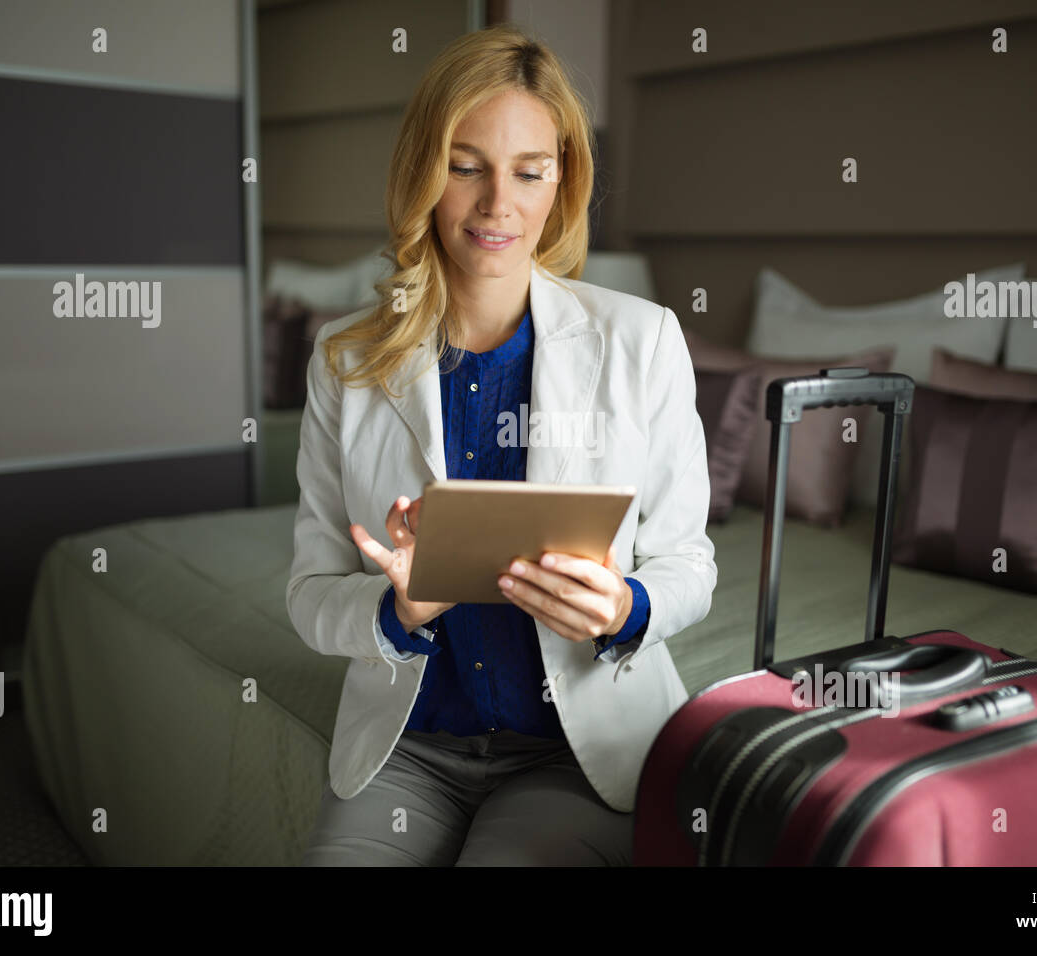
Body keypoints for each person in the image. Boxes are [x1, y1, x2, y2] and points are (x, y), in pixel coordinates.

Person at [287, 24, 716, 866]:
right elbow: (308, 594)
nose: (498, 205)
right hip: (408, 750)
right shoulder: (345, 358)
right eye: (465, 164)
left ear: (562, 182)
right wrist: (396, 612)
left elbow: (690, 563)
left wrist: (626, 608)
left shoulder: (644, 340)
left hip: (573, 755)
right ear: (424, 172)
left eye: (530, 171)